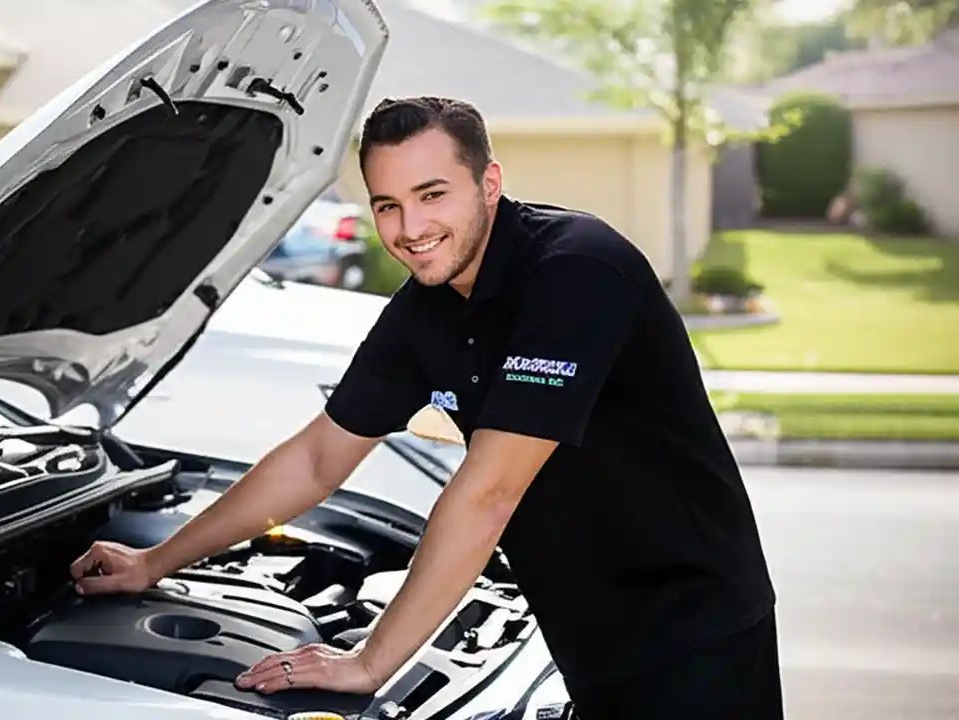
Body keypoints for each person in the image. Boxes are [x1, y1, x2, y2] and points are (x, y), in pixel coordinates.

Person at [70, 96, 782, 719]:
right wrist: (156, 561)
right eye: (388, 204)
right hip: (583, 635)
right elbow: (317, 459)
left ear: (489, 183)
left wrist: (371, 662)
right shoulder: (424, 312)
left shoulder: (576, 273)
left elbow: (489, 493)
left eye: (433, 194)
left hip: (694, 632)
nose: (410, 227)